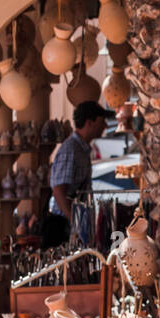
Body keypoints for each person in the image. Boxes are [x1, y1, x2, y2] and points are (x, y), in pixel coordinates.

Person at [43, 100, 108, 247]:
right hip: (63, 227)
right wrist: (76, 222)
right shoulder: (71, 149)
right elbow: (58, 189)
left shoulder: (81, 148)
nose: (105, 126)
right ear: (89, 123)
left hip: (72, 223)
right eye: (101, 121)